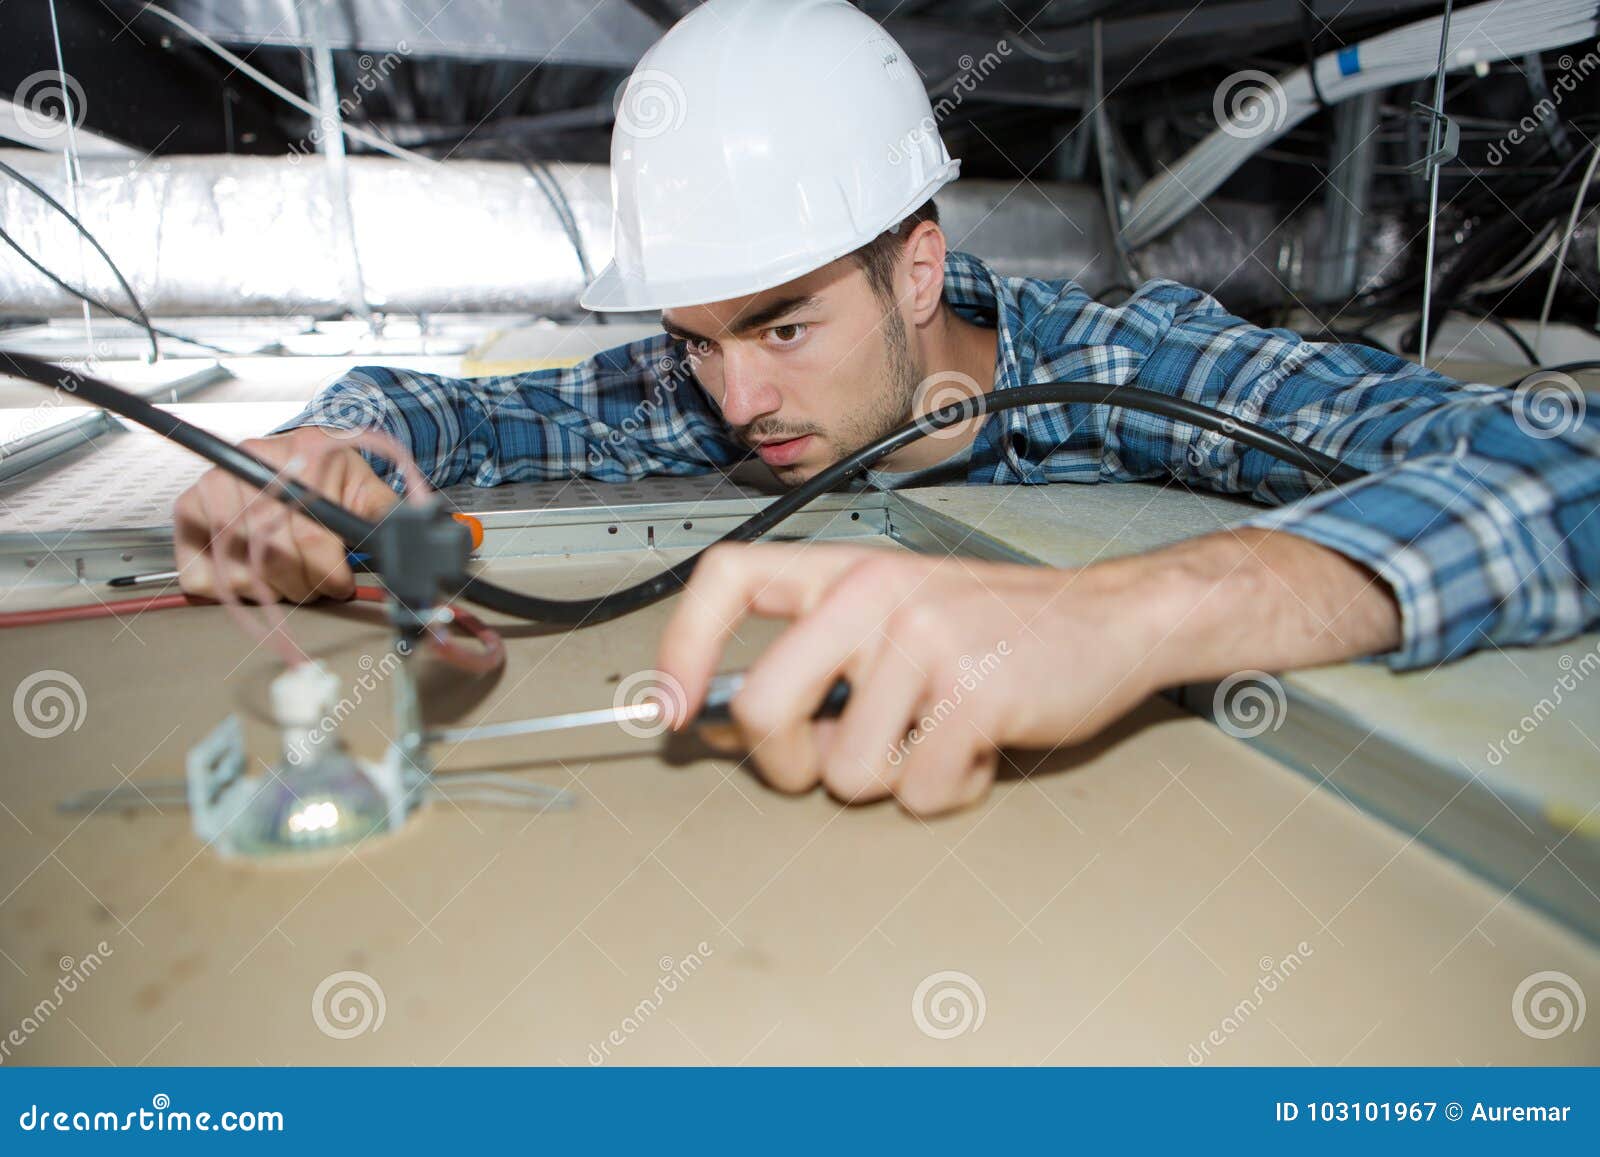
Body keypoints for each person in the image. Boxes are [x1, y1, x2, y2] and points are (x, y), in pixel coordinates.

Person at [174, 0, 1599, 814]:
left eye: (784, 325)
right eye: (697, 340)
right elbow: (447, 410)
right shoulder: (709, 391)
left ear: (917, 270)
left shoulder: (1130, 362)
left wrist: (1130, 614)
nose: (740, 400)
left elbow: (1564, 467)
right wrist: (326, 456)